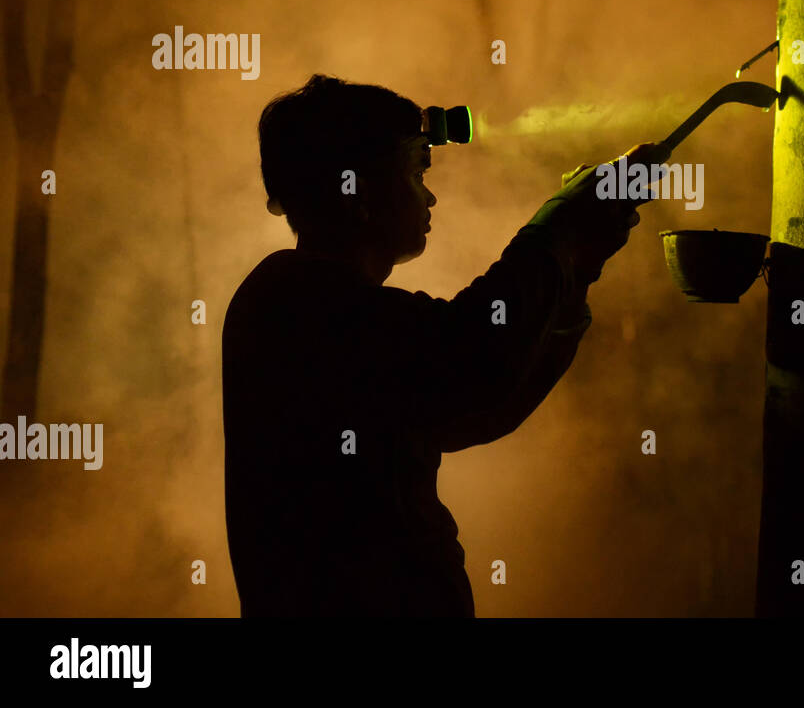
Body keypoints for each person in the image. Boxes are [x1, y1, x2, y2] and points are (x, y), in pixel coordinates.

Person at [222, 74, 657, 616]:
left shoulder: (306, 301)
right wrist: (560, 228)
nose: (429, 194)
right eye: (415, 172)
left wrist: (577, 268)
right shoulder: (299, 301)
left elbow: (481, 408)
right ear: (355, 192)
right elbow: (474, 356)